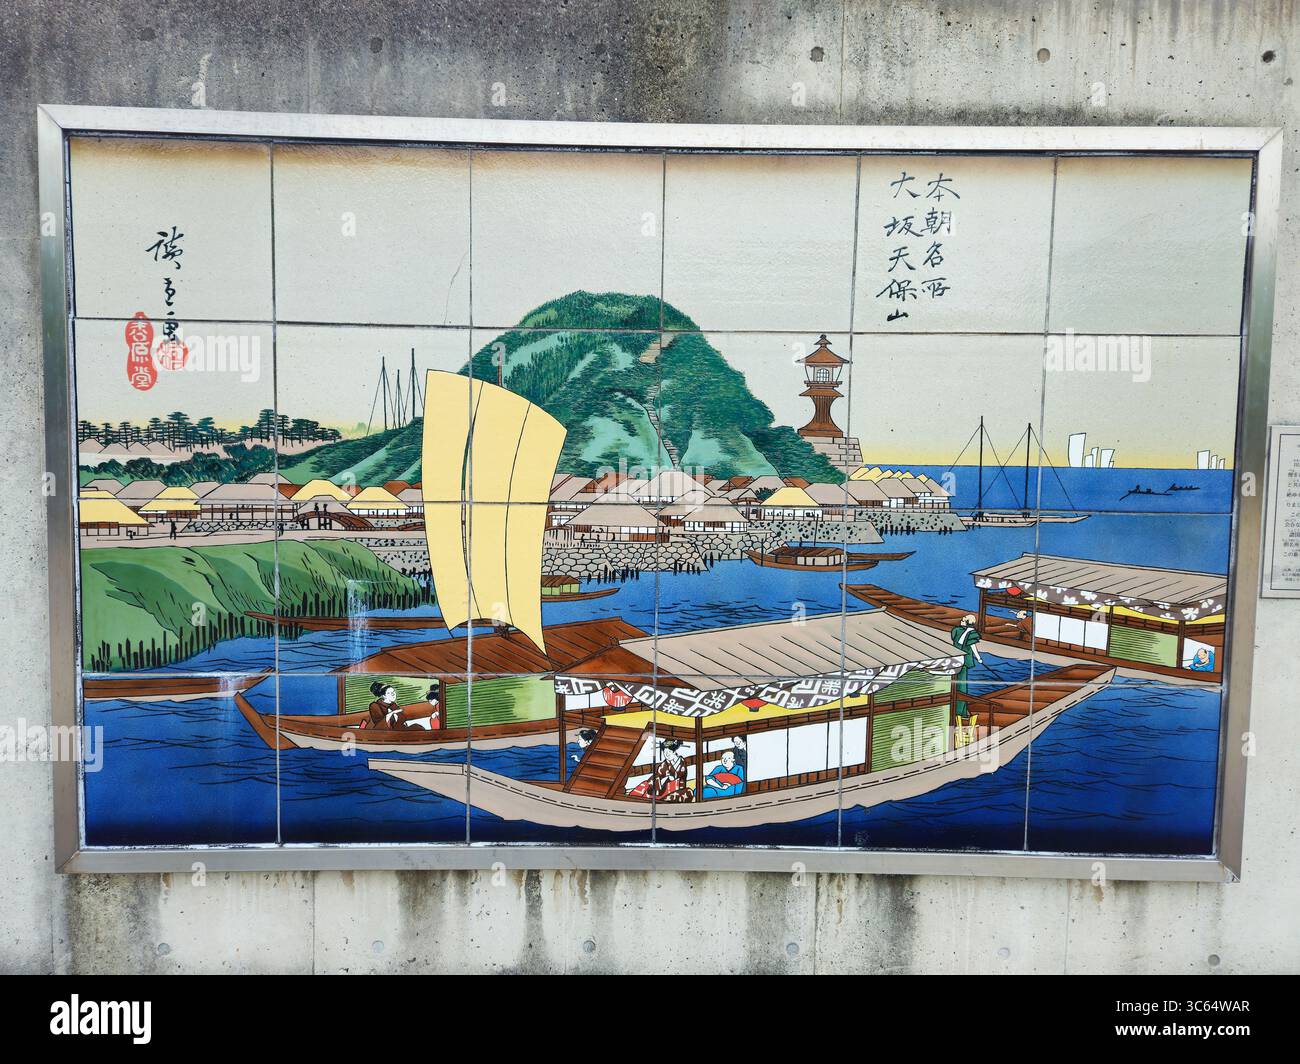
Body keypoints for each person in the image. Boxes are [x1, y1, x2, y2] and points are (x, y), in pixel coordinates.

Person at [950, 613, 983, 719]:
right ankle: (958, 711)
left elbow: (972, 647)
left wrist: (978, 657)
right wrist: (978, 658)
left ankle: (961, 711)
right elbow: (962, 643)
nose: (961, 620)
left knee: (960, 686)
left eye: (964, 619)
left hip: (961, 661)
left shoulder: (968, 633)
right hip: (957, 660)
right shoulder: (958, 630)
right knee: (958, 685)